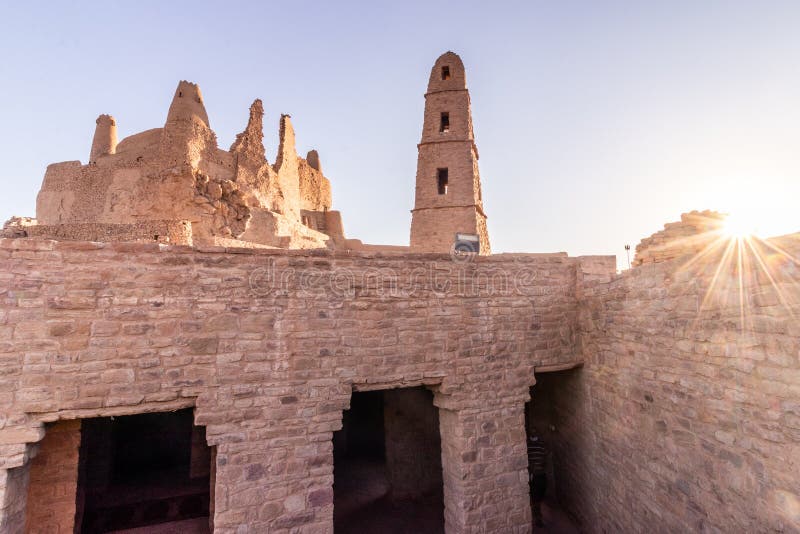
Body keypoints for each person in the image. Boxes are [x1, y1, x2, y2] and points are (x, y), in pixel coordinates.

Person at [527, 430, 548, 527]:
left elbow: (545, 456)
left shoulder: (541, 444)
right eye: (532, 430)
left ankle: (537, 513)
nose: (534, 432)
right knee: (535, 496)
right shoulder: (528, 445)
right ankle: (537, 517)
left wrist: (542, 465)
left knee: (540, 493)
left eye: (535, 430)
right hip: (534, 475)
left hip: (540, 474)